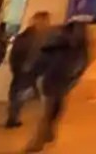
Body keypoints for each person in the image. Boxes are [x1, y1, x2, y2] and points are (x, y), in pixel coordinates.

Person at [25, 17, 89, 153]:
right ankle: (45, 135)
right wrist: (74, 79)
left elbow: (41, 61)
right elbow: (82, 65)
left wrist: (33, 74)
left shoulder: (55, 42)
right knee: (54, 109)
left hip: (50, 78)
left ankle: (39, 140)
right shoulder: (80, 46)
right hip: (63, 80)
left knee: (47, 111)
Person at [6, 11, 51, 128]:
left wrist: (15, 66)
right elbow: (37, 53)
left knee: (17, 91)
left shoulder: (23, 35)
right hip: (29, 69)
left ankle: (13, 116)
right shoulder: (39, 37)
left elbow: (14, 53)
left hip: (19, 68)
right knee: (25, 92)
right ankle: (14, 117)